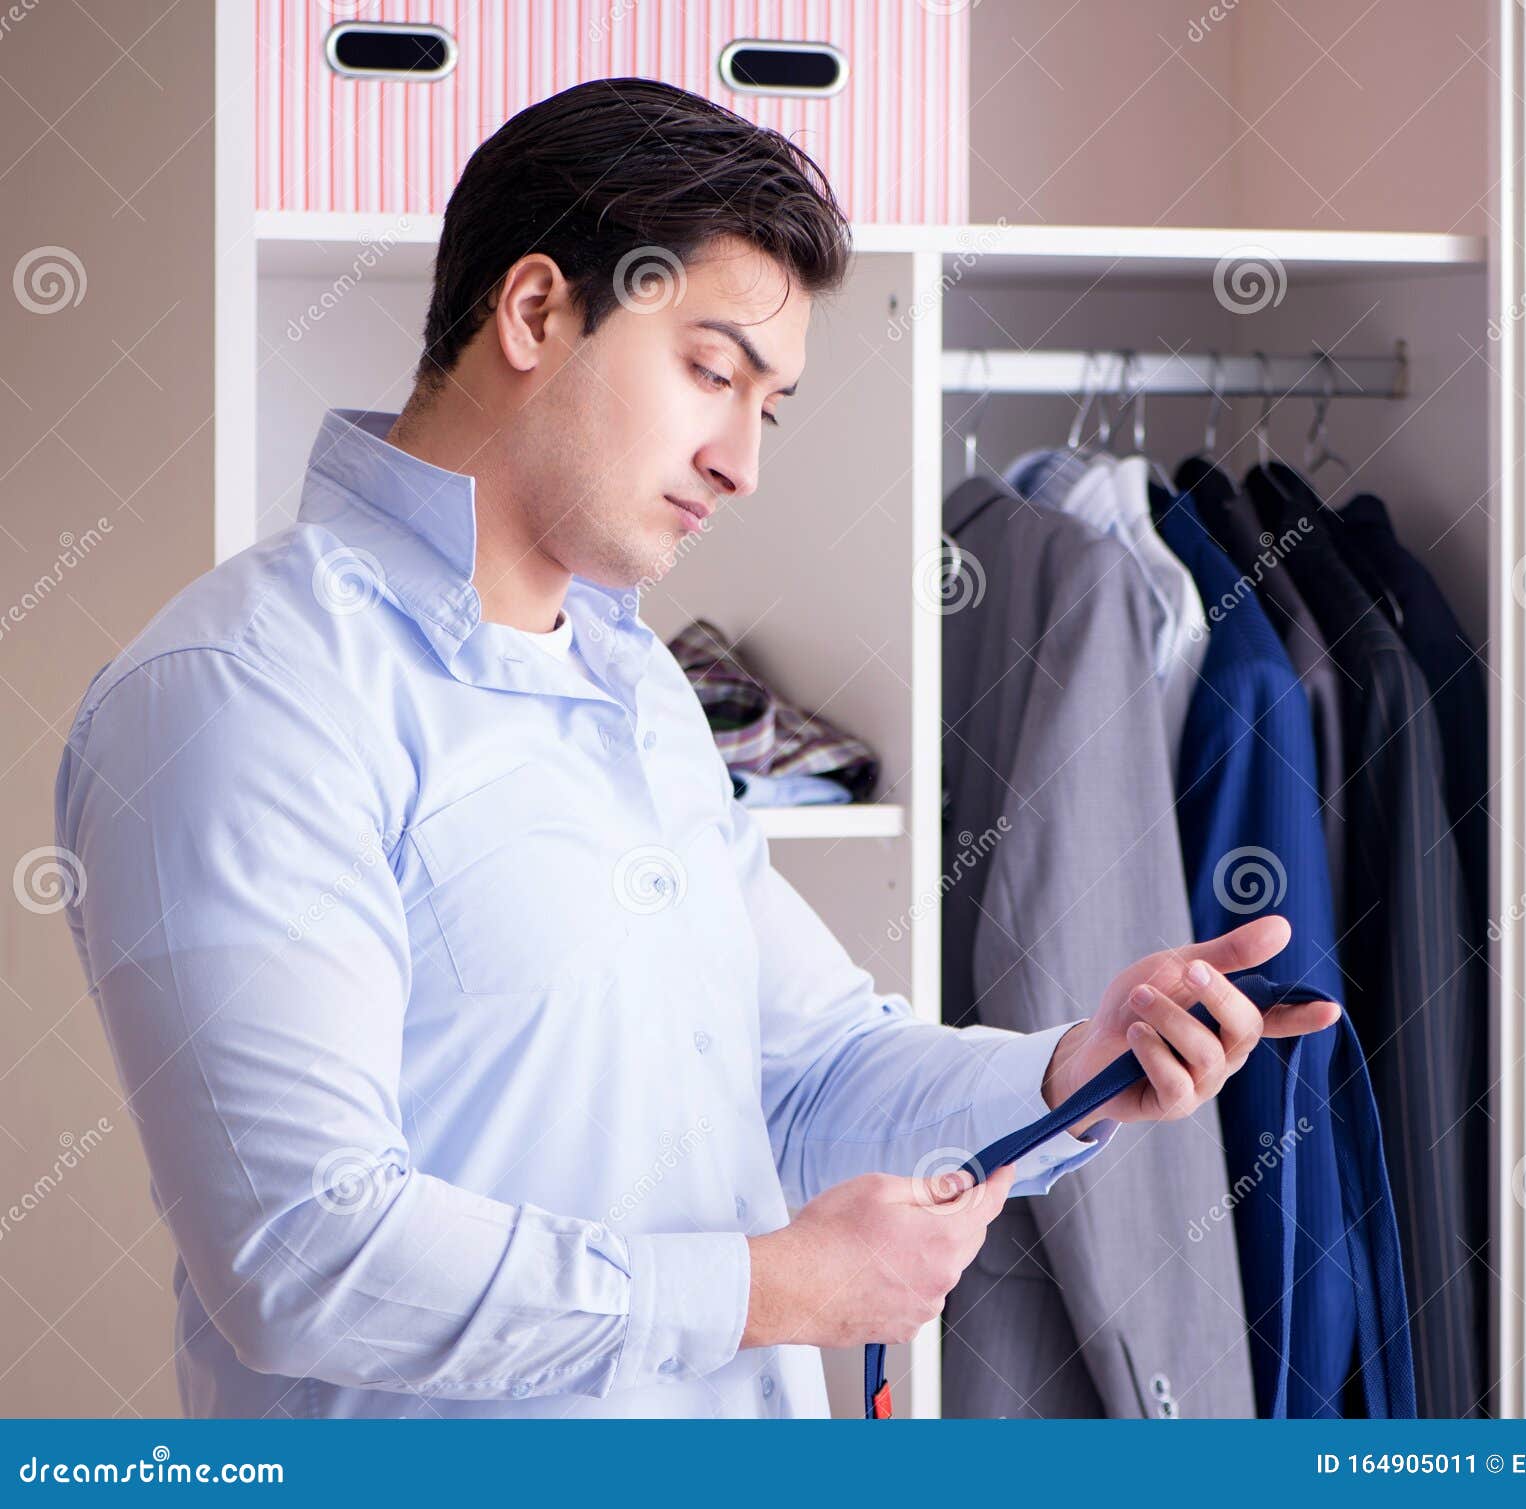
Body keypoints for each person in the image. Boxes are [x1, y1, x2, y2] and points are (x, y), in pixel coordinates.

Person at [54, 79, 1338, 1419]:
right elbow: (303, 1256)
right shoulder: (243, 692)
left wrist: (1075, 1067)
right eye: (712, 373)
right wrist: (768, 1289)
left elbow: (807, 1076)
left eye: (766, 408)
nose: (741, 462)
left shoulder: (642, 691)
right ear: (535, 311)